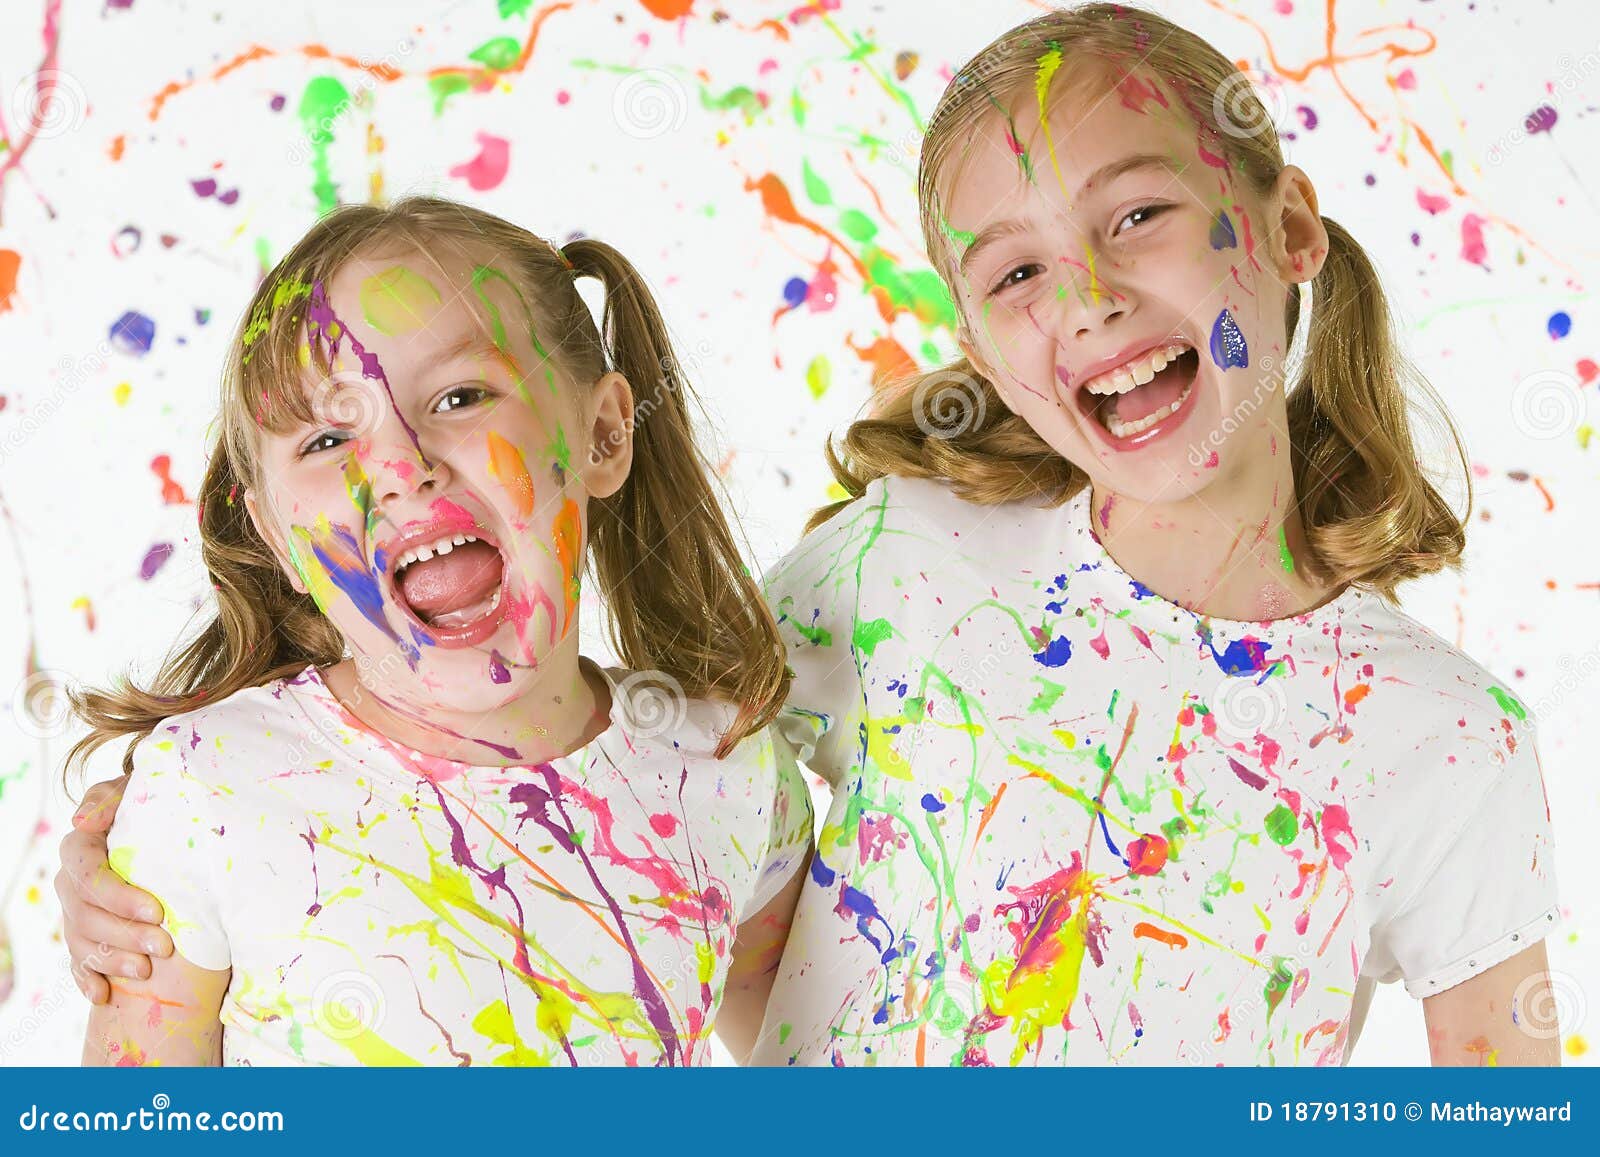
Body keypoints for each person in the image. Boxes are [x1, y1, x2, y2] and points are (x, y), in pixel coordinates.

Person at [748, 3, 1562, 1066]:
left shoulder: (1450, 735)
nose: (1086, 298)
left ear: (1289, 230)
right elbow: (667, 784)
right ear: (985, 356)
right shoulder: (902, 557)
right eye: (1016, 273)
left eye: (1135, 216)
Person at [61, 196, 812, 1066]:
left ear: (605, 432)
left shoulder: (730, 764)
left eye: (459, 396)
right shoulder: (207, 791)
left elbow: (823, 1074)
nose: (401, 466)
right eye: (326, 437)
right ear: (273, 530)